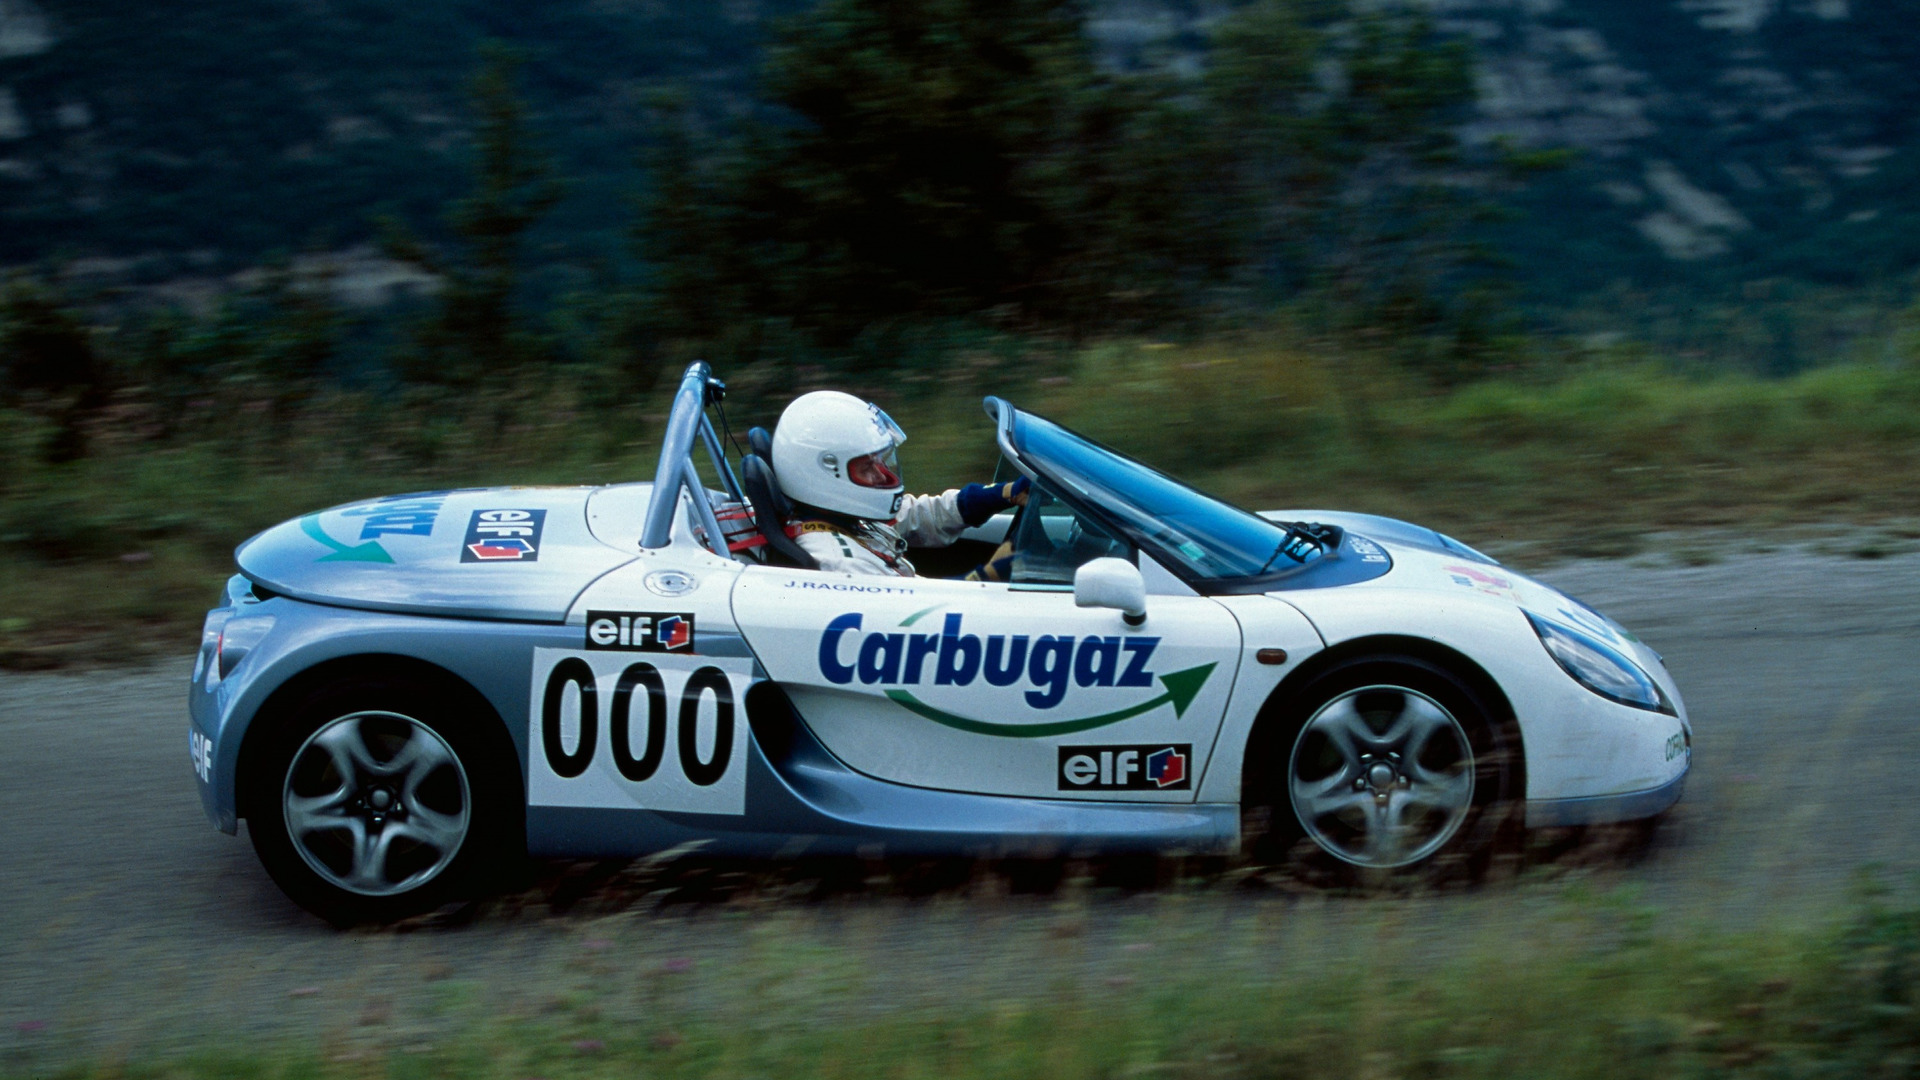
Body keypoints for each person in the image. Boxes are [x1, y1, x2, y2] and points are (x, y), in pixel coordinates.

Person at [770, 390, 1028, 578]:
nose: (881, 476)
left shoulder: (847, 518)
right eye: (867, 467)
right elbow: (917, 619)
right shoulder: (843, 565)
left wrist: (1001, 494)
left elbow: (920, 515)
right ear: (826, 474)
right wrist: (987, 578)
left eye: (879, 462)